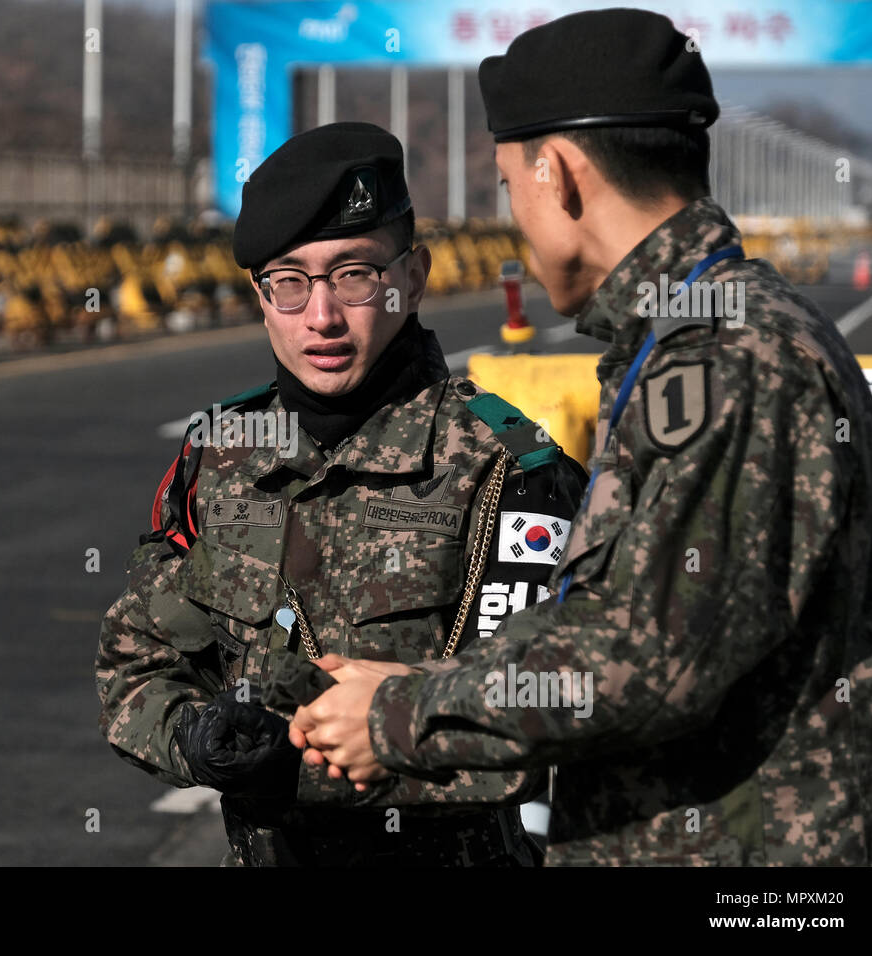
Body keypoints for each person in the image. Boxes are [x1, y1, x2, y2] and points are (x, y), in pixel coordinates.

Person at [290, 8, 872, 866]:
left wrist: (398, 720)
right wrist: (426, 684)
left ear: (558, 174)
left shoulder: (725, 359)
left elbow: (649, 660)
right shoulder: (700, 335)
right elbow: (631, 614)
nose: (518, 221)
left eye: (510, 188)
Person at [95, 121, 586, 866]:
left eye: (354, 275)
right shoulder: (220, 456)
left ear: (412, 278)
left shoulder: (507, 465)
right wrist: (195, 739)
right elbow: (138, 667)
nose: (320, 316)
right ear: (261, 297)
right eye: (288, 283)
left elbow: (545, 713)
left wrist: (304, 760)